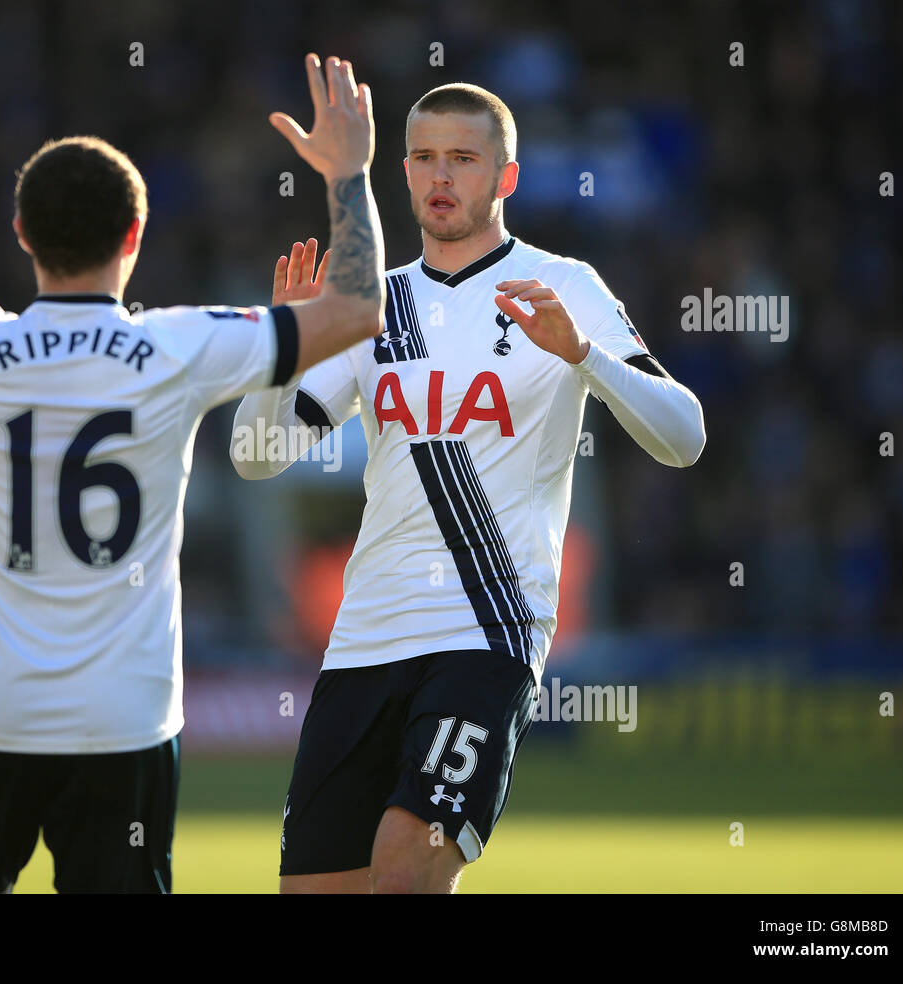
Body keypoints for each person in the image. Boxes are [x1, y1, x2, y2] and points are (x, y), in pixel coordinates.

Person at [0, 53, 385, 893]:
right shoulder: (178, 347)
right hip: (125, 718)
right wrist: (351, 173)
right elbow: (357, 308)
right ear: (135, 236)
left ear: (21, 235)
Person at [231, 82, 706, 894]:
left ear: (506, 177)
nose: (439, 175)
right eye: (422, 157)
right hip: (366, 636)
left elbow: (686, 436)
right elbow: (257, 454)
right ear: (404, 172)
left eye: (462, 157)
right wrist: (283, 351)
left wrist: (584, 354)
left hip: (487, 627)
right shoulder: (370, 302)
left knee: (407, 865)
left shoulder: (561, 285)